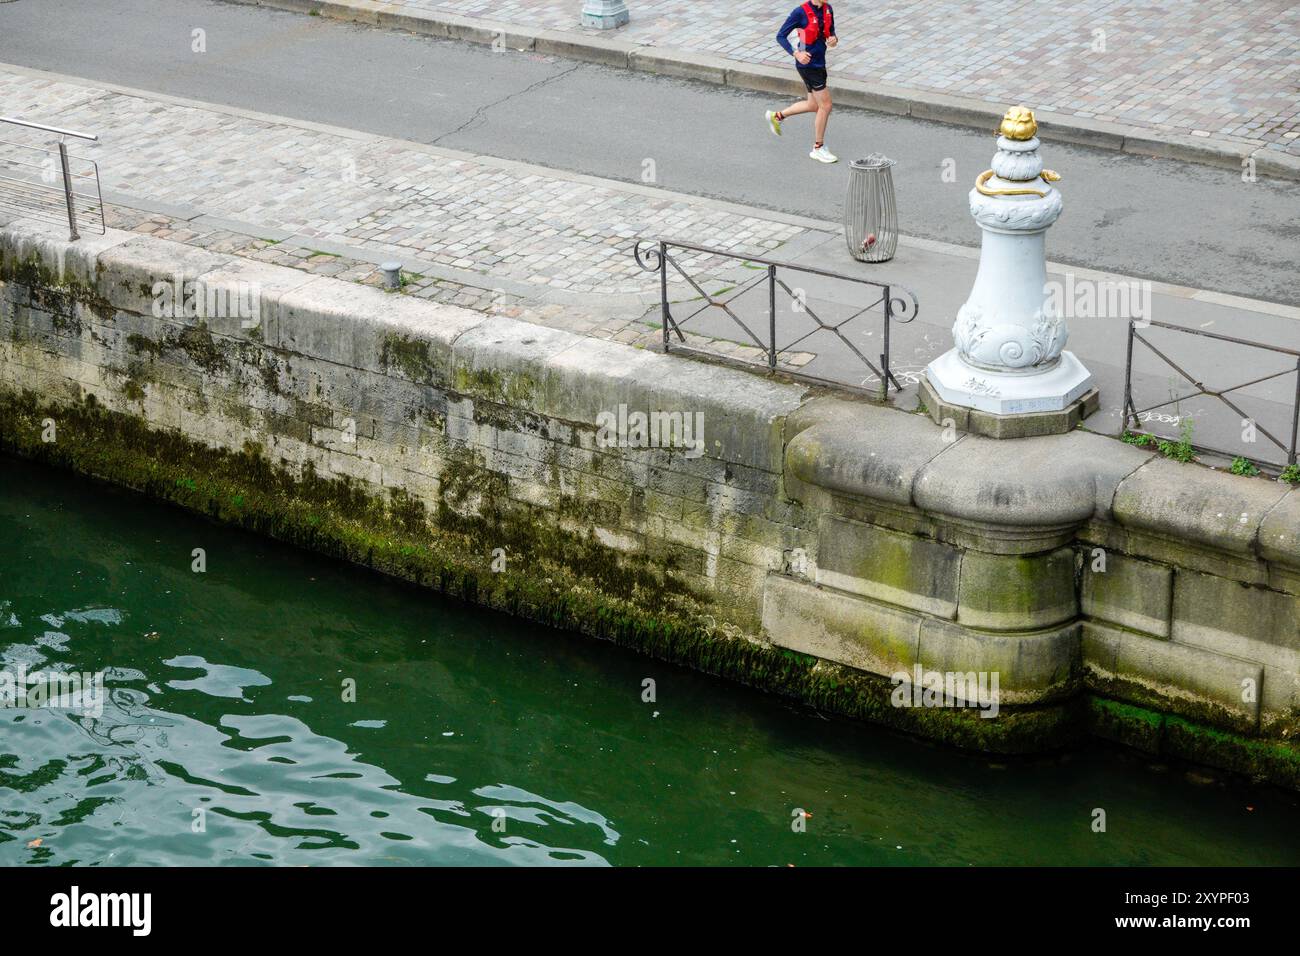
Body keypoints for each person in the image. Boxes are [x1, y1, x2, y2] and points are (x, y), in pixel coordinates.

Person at [767, 1, 838, 163]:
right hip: (808, 66)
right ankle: (818, 148)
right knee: (825, 105)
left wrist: (834, 40)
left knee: (813, 105)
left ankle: (777, 116)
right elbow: (780, 36)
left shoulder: (828, 9)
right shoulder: (800, 12)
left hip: (819, 64)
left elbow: (831, 34)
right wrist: (796, 53)